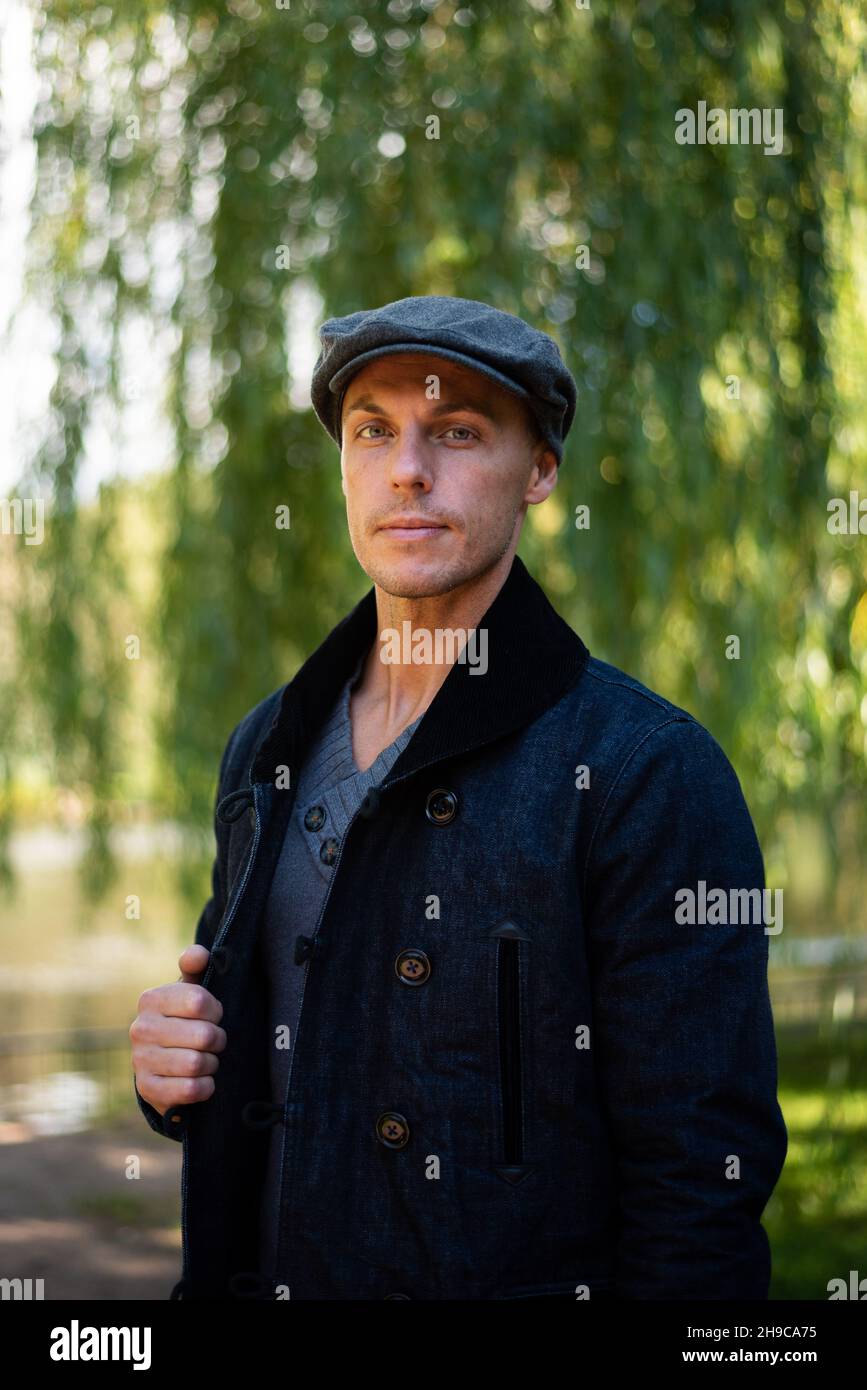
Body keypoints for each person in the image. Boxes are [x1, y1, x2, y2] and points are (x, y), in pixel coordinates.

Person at [129, 294, 787, 1301]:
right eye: (373, 430)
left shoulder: (647, 769)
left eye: (460, 431)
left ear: (540, 471)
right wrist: (178, 1064)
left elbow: (699, 1197)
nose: (407, 469)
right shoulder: (267, 744)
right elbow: (272, 1049)